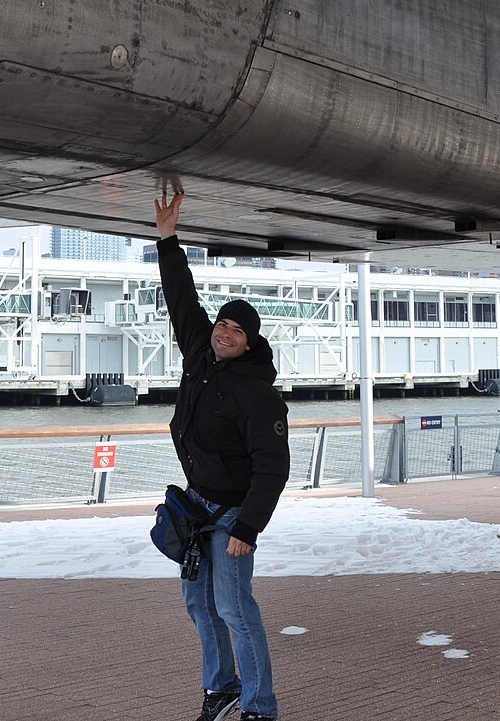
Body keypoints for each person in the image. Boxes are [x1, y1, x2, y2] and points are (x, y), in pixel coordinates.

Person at [154, 189, 289, 721]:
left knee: (235, 608)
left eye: (236, 330)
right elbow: (181, 299)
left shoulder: (258, 394)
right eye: (222, 324)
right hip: (196, 504)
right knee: (198, 604)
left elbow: (273, 468)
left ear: (250, 342)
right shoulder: (199, 355)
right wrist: (168, 238)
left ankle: (260, 707)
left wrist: (247, 529)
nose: (224, 332)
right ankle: (222, 687)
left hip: (232, 514)